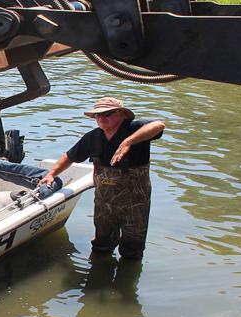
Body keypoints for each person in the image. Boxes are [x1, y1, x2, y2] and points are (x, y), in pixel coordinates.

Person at [40, 97, 165, 260]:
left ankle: (125, 281)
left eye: (107, 114)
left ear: (122, 115)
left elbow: (159, 125)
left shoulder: (135, 129)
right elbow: (70, 156)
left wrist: (128, 142)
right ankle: (98, 275)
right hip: (104, 203)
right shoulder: (92, 138)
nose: (101, 118)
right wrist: (51, 174)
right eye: (97, 115)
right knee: (101, 244)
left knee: (132, 249)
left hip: (135, 203)